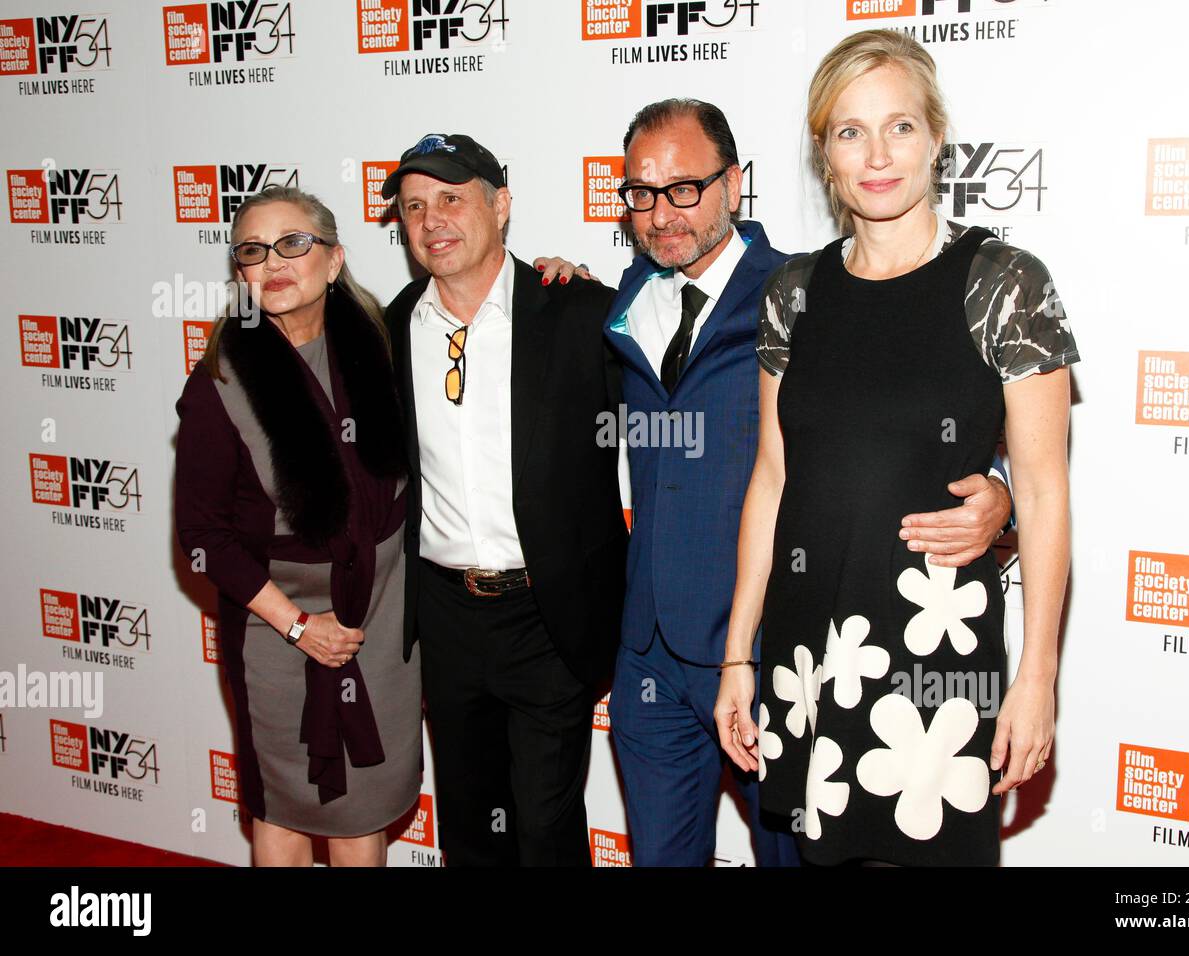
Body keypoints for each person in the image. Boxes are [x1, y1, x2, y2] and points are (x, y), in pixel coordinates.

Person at [604, 99, 1012, 866]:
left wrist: (997, 489)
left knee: (796, 854)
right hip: (649, 651)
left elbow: (893, 414)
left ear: (734, 184)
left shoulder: (799, 295)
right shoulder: (620, 299)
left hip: (775, 643)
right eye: (641, 192)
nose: (661, 213)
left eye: (685, 188)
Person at [716, 30, 1078, 867]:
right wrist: (740, 653)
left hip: (936, 655)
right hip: (810, 649)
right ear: (824, 155)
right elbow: (771, 481)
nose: (877, 155)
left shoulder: (1002, 284)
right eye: (850, 131)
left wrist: (1036, 677)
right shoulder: (794, 295)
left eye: (900, 127)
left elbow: (1045, 488)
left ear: (937, 139)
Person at [381, 133, 627, 866]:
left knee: (546, 825)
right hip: (445, 616)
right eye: (414, 206)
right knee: (469, 817)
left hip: (547, 617)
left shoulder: (580, 312)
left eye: (453, 198)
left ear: (502, 205)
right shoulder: (391, 329)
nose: (432, 221)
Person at [175, 186, 419, 866]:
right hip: (277, 633)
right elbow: (201, 540)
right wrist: (296, 626)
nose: (274, 262)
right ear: (240, 272)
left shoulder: (386, 345)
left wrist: (556, 274)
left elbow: (479, 310)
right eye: (253, 250)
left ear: (334, 260)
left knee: (360, 813)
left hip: (380, 619)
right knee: (283, 806)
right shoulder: (220, 380)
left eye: (293, 243)